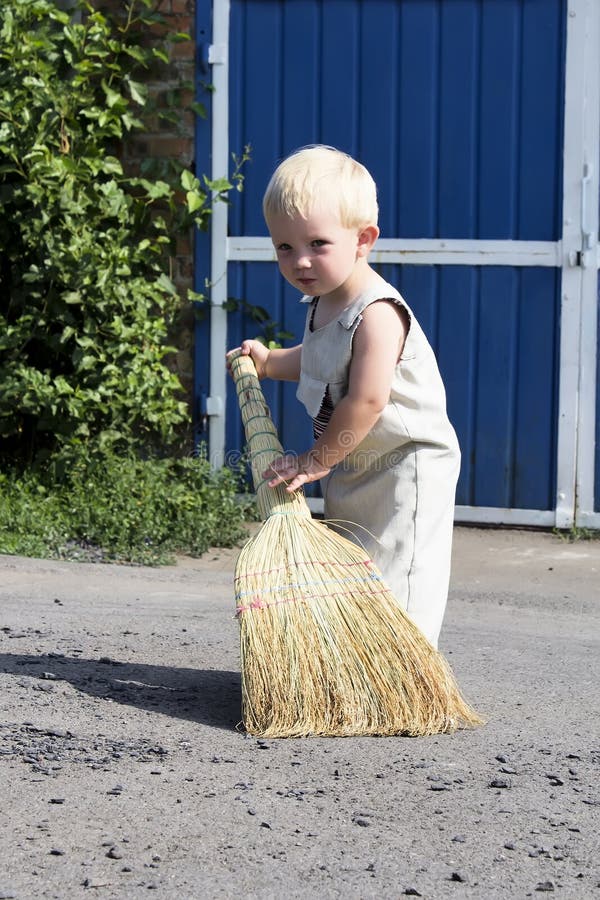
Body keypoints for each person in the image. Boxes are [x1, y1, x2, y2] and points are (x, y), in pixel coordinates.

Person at [227, 145, 460, 649]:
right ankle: (357, 661)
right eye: (284, 246)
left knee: (400, 568)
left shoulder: (376, 312)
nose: (300, 261)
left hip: (406, 465)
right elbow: (318, 361)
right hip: (353, 459)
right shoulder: (324, 303)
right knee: (355, 565)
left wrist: (316, 459)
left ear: (363, 240)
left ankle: (407, 670)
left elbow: (368, 399)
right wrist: (269, 362)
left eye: (317, 243)